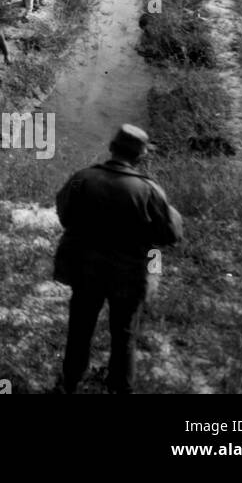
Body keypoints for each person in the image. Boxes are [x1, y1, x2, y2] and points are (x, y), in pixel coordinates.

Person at [54, 125, 183, 394]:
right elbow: (170, 235)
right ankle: (120, 389)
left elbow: (65, 216)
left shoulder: (83, 178)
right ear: (140, 157)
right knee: (124, 336)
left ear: (112, 148)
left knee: (79, 329)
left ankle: (70, 383)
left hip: (85, 270)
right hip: (129, 277)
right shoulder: (149, 190)